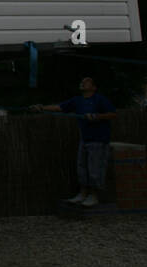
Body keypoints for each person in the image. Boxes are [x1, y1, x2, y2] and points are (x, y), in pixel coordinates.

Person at [32, 77, 118, 207]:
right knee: (82, 168)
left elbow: (113, 114)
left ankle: (94, 196)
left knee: (94, 169)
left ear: (94, 87)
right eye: (82, 81)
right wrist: (42, 107)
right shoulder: (77, 101)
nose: (82, 82)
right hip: (85, 139)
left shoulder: (99, 99)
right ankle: (82, 194)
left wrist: (97, 116)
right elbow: (59, 107)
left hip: (98, 140)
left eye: (87, 81)